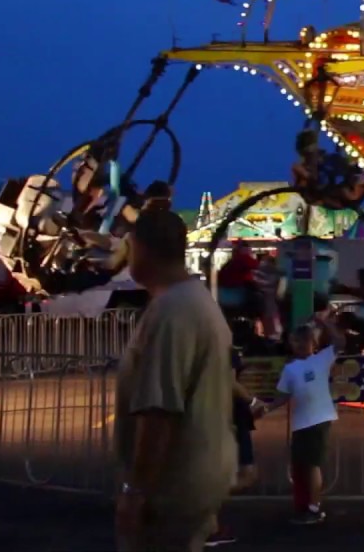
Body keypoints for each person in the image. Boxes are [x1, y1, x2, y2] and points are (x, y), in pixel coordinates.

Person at [114, 209, 237, 552]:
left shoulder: (172, 311)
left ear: (143, 248)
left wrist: (134, 493)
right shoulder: (196, 302)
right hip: (198, 478)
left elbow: (159, 410)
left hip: (172, 487)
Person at [266, 312, 344, 525]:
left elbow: (339, 341)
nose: (301, 345)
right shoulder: (290, 369)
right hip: (301, 423)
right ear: (292, 343)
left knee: (311, 465)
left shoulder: (321, 359)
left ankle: (314, 508)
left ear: (313, 343)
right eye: (297, 341)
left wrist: (323, 322)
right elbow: (282, 396)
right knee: (301, 465)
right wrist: (265, 409)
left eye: (305, 341)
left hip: (318, 421)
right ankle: (305, 504)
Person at [206, 348, 267, 548]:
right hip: (232, 417)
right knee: (246, 473)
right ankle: (200, 504)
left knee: (217, 472)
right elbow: (230, 382)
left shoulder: (202, 350)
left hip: (214, 415)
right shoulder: (225, 349)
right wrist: (253, 401)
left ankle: (207, 521)